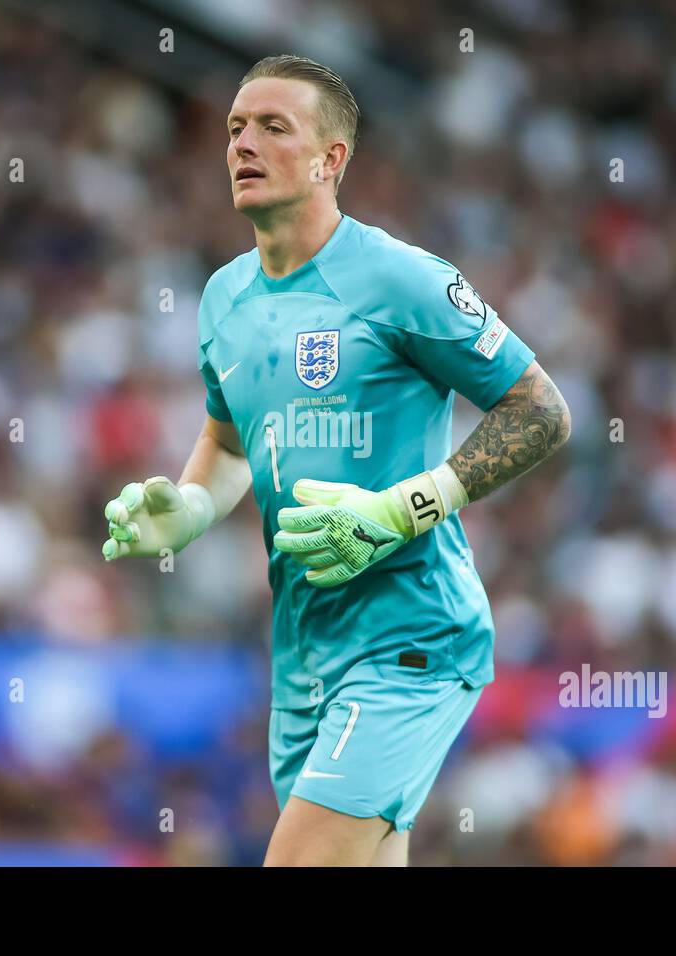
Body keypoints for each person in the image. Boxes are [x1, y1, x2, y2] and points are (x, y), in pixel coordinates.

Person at [102, 54, 571, 866]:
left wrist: (402, 510)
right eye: (235, 128)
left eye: (273, 127)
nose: (243, 143)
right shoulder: (223, 300)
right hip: (304, 648)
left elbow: (541, 410)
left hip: (411, 639)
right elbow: (227, 440)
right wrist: (192, 506)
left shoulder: (399, 279)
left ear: (331, 159)